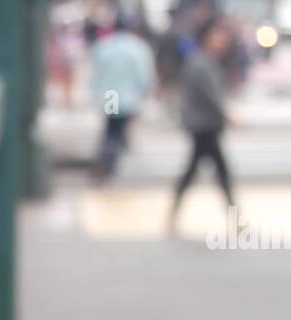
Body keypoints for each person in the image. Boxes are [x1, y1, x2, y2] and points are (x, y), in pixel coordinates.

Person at [168, 17, 237, 234]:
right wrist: (229, 117)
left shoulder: (204, 61)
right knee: (219, 174)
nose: (222, 40)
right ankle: (235, 219)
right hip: (203, 126)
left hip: (205, 126)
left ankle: (173, 214)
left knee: (201, 173)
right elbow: (211, 96)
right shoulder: (201, 62)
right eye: (217, 35)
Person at [87, 12, 155, 181]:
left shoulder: (103, 45)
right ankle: (107, 164)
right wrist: (144, 92)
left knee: (111, 128)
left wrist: (95, 92)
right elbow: (143, 75)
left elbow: (95, 72)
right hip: (127, 95)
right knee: (116, 131)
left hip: (110, 94)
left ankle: (106, 163)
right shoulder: (138, 47)